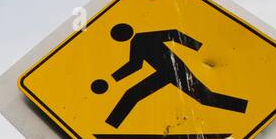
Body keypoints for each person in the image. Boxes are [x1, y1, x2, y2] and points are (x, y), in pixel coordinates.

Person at [92, 22, 248, 128]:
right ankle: (111, 125)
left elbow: (173, 33)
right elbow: (136, 65)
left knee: (206, 98)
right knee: (131, 95)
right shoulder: (137, 41)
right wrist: (113, 78)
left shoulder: (143, 38)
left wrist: (196, 46)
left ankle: (244, 108)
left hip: (174, 70)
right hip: (163, 73)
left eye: (117, 35)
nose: (118, 38)